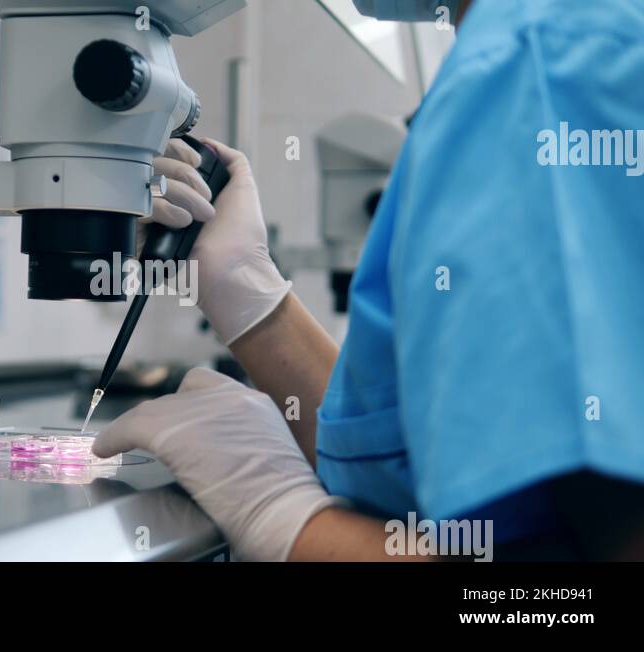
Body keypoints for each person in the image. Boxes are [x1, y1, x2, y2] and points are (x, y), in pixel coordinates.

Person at [92, 0, 644, 561]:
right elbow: (422, 470)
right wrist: (241, 286)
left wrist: (288, 521)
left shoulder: (539, 57)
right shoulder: (535, 47)